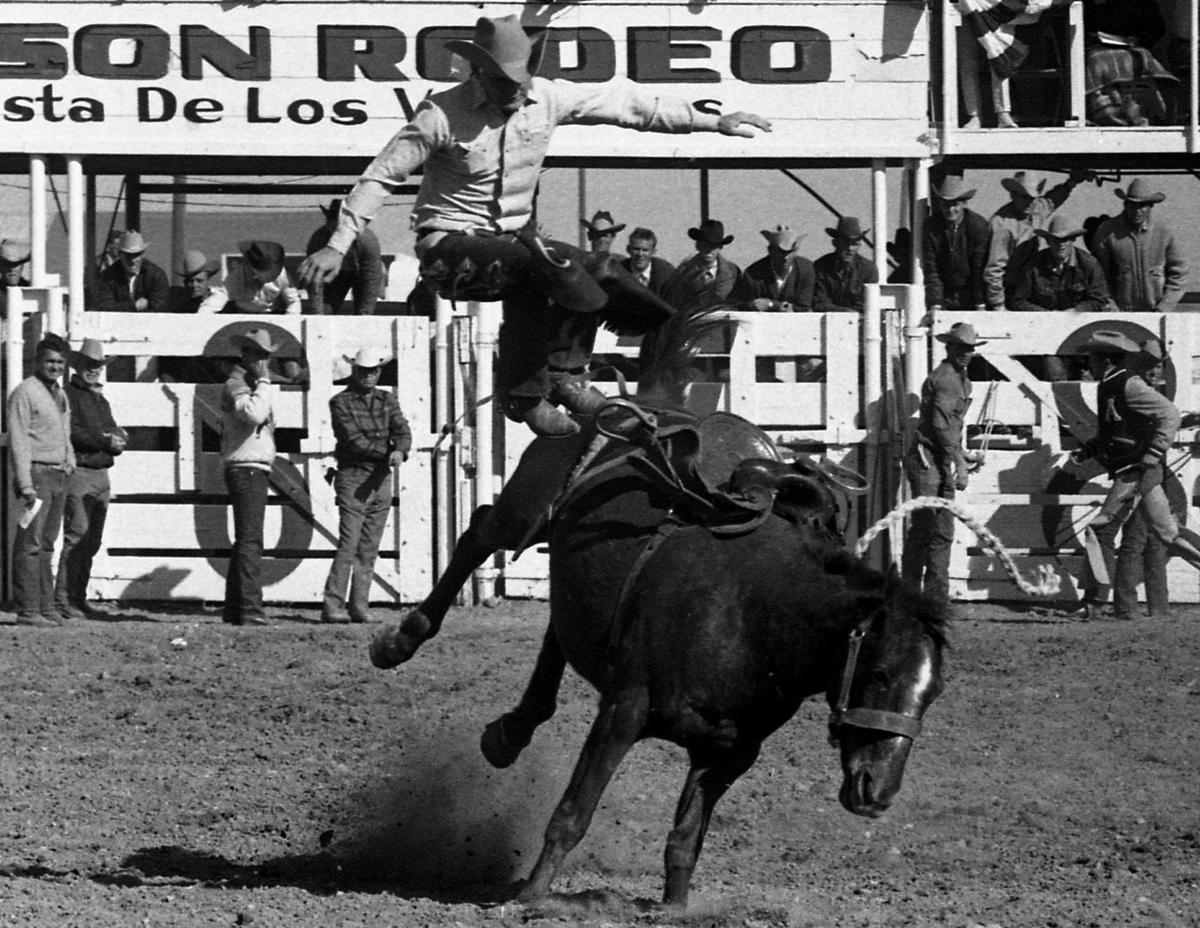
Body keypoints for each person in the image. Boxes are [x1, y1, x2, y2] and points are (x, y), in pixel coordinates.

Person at [300, 15, 769, 437]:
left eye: (520, 80)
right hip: (449, 247)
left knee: (598, 268)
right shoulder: (440, 114)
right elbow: (381, 176)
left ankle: (567, 373)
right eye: (503, 81)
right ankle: (522, 395)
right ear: (478, 73)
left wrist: (712, 122)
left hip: (514, 242)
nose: (515, 90)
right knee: (539, 266)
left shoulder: (548, 97)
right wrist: (338, 244)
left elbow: (629, 106)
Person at [1072, 330, 1200, 616]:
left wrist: (1153, 452)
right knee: (1168, 534)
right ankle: (1094, 602)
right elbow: (1116, 429)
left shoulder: (1127, 384)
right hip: (1138, 471)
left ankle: (1093, 602)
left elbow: (1170, 414)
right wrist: (1089, 450)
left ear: (1104, 360)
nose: (1088, 364)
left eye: (1091, 358)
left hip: (1133, 471)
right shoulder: (1113, 384)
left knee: (1099, 528)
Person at [322, 347, 413, 624]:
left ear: (379, 372)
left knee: (368, 545)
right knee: (350, 543)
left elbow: (402, 431)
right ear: (355, 371)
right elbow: (353, 441)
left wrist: (401, 449)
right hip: (355, 476)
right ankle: (336, 604)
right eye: (363, 371)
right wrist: (393, 452)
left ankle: (356, 606)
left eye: (372, 371)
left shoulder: (386, 399)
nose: (368, 375)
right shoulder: (341, 402)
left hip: (377, 477)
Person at [902, 322, 986, 603]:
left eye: (969, 349)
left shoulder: (959, 378)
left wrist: (962, 454)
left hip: (936, 459)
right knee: (928, 528)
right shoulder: (948, 379)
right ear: (949, 348)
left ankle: (931, 598)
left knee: (939, 531)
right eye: (960, 348)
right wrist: (960, 463)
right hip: (927, 459)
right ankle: (918, 597)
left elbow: (948, 426)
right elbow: (940, 426)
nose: (966, 353)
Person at [54, 339, 126, 620]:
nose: (94, 369)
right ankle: (64, 599)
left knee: (90, 540)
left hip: (98, 472)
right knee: (78, 536)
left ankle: (75, 597)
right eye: (89, 365)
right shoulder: (69, 395)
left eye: (97, 365)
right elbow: (72, 432)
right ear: (78, 366)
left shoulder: (98, 399)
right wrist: (107, 441)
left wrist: (117, 437)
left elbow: (106, 428)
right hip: (82, 472)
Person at [1112, 338, 1183, 621]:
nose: (1155, 372)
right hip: (1143, 469)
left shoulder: (1136, 390)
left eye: (1159, 366)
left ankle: (1147, 607)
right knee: (1140, 538)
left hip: (1148, 469)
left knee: (1148, 539)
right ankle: (1138, 607)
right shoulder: (1137, 391)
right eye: (1150, 366)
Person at [8, 333, 75, 626]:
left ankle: (46, 607)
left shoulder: (59, 394)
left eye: (60, 362)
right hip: (36, 475)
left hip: (58, 474)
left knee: (48, 544)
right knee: (30, 543)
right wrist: (25, 483)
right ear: (37, 361)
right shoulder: (25, 392)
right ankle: (27, 610)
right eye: (50, 361)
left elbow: (65, 432)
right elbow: (19, 439)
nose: (55, 367)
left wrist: (70, 460)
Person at [220, 327, 279, 626]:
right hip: (247, 466)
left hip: (248, 465)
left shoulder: (246, 384)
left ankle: (236, 608)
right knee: (250, 540)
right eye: (258, 354)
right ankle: (250, 608)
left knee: (246, 539)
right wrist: (265, 381)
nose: (262, 361)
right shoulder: (238, 384)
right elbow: (253, 415)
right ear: (245, 354)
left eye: (265, 355)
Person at [984, 169, 1091, 311]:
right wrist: (998, 305)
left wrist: (1072, 182)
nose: (1030, 203)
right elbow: (994, 270)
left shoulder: (1035, 209)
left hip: (1027, 285)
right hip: (1006, 288)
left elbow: (1052, 200)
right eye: (1024, 197)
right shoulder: (1002, 225)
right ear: (1013, 195)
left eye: (1032, 198)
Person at [1091, 179, 1188, 313]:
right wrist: (1109, 304)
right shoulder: (1107, 231)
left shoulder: (1164, 233)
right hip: (1119, 312)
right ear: (1125, 205)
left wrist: (1165, 306)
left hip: (1156, 312)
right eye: (1132, 205)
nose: (1137, 211)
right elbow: (1098, 275)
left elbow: (1179, 273)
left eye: (1142, 205)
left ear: (1150, 206)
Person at [1010, 215, 1110, 313]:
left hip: (1078, 319)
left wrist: (1074, 311)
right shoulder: (1033, 265)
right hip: (1042, 320)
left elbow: (1100, 299)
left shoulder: (1090, 265)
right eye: (1056, 240)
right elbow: (1019, 301)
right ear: (1048, 241)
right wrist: (1046, 314)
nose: (1061, 245)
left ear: (1073, 240)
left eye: (1065, 240)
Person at [305, 200, 384, 315]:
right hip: (335, 276)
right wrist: (317, 313)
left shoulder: (368, 240)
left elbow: (371, 279)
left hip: (362, 275)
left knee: (363, 312)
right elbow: (315, 279)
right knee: (325, 310)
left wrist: (366, 314)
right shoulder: (318, 239)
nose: (333, 229)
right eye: (330, 223)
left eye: (337, 225)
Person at [923, 176, 989, 313]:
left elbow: (978, 267)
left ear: (964, 204)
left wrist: (980, 303)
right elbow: (931, 266)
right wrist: (935, 302)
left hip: (970, 293)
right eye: (946, 204)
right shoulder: (931, 226)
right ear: (940, 204)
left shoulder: (979, 226)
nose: (950, 209)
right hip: (944, 293)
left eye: (955, 204)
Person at [732, 225, 814, 313]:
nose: (786, 257)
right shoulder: (754, 273)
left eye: (790, 252)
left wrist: (772, 304)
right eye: (781, 252)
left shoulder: (805, 269)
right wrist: (753, 305)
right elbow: (744, 304)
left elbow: (803, 306)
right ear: (770, 250)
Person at [662, 219, 742, 309]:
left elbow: (738, 302)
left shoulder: (733, 272)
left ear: (720, 248)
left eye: (714, 246)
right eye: (706, 245)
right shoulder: (683, 272)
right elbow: (674, 301)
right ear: (698, 246)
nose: (709, 250)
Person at [92, 230, 170, 313]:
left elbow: (160, 307)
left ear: (143, 255)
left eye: (136, 255)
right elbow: (105, 308)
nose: (132, 260)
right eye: (128, 255)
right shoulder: (108, 276)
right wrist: (134, 306)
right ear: (120, 254)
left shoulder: (156, 275)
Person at [813, 216, 878, 313]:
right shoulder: (821, 266)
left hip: (860, 320)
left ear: (860, 245)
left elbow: (867, 303)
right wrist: (844, 312)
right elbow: (819, 302)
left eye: (855, 244)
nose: (850, 249)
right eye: (846, 243)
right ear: (835, 243)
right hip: (828, 319)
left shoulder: (868, 269)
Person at [224, 240, 301, 314]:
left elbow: (293, 302)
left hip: (272, 315)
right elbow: (222, 294)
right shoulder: (237, 275)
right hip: (242, 314)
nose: (274, 275)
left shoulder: (283, 276)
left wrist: (289, 319)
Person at [620, 227, 675, 297]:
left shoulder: (666, 275)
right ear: (628, 249)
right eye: (636, 249)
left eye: (645, 250)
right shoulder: (618, 272)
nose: (640, 254)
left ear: (653, 252)